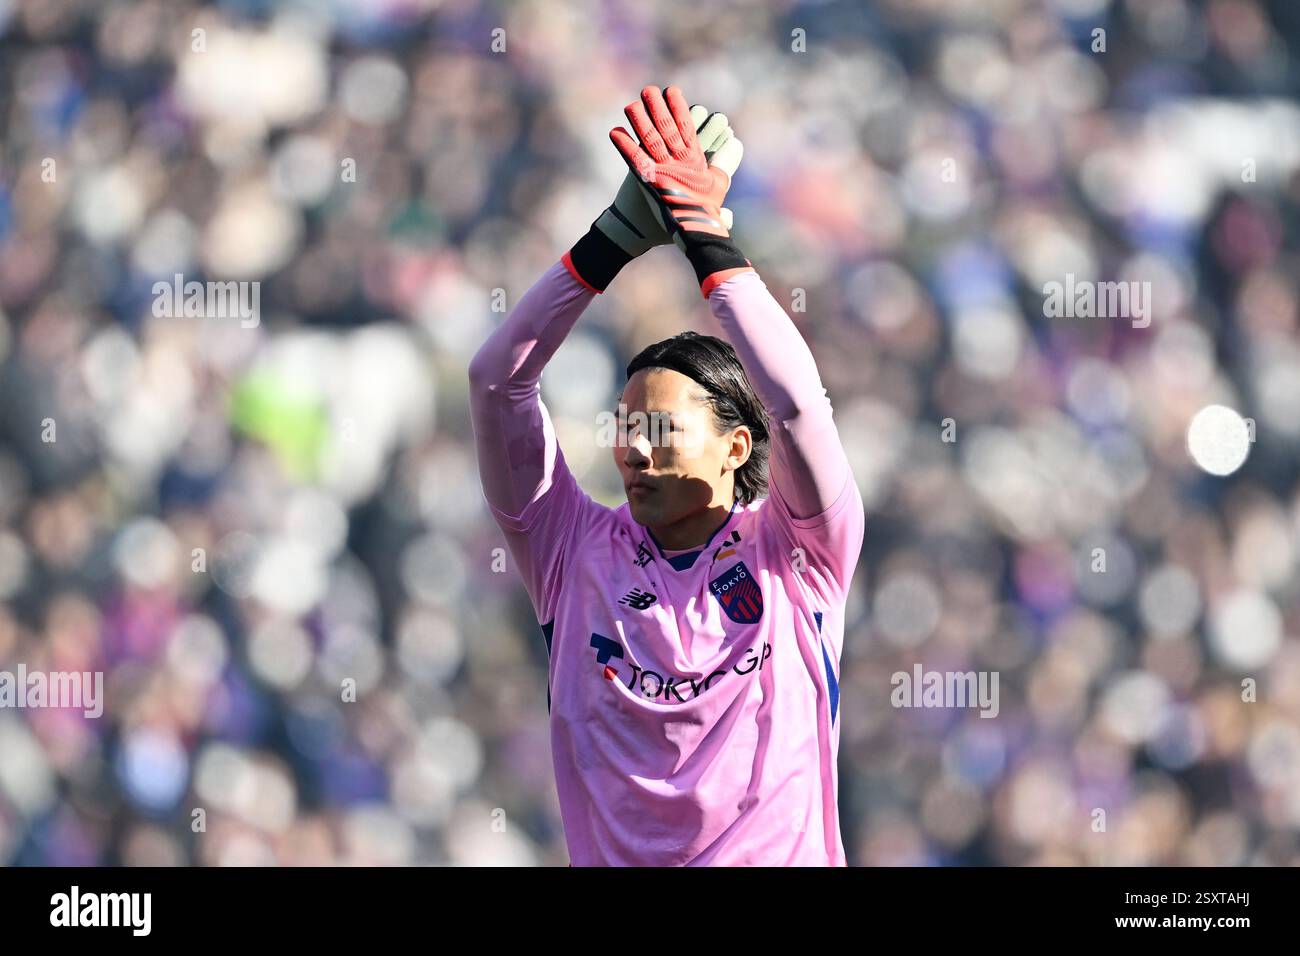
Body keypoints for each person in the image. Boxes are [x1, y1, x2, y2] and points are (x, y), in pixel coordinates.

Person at [468, 86, 864, 865]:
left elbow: (799, 407)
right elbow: (495, 383)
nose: (635, 450)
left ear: (737, 447)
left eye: (661, 429)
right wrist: (609, 243)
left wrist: (707, 239)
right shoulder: (569, 549)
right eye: (627, 427)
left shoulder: (799, 557)